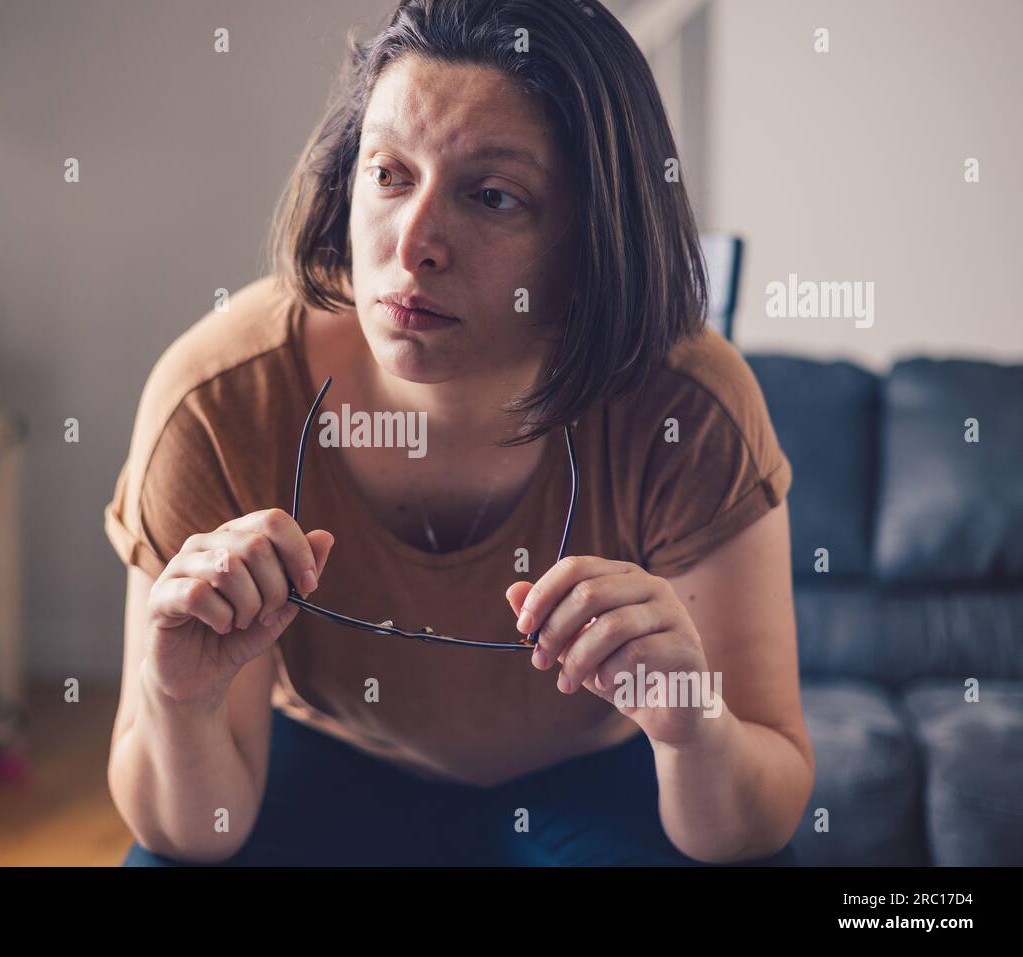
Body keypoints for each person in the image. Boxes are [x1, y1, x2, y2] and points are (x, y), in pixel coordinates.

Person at [104, 0, 812, 866]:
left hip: (601, 775)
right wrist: (180, 701)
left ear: (593, 238)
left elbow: (760, 813)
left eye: (491, 195)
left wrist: (695, 730)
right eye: (391, 174)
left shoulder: (689, 404)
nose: (414, 244)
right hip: (326, 756)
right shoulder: (220, 397)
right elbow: (186, 834)